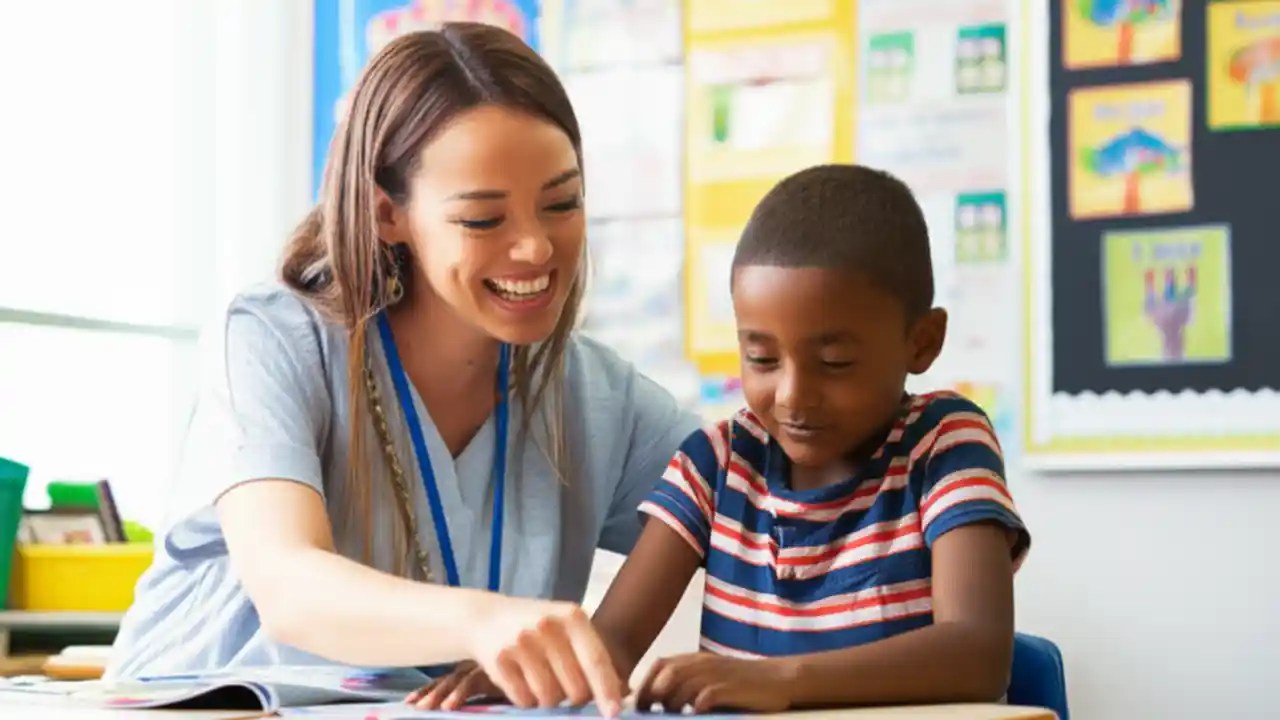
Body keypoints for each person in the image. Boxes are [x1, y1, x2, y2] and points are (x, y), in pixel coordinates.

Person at [105, 23, 700, 717]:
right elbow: (289, 586)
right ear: (388, 213)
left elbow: (777, 503)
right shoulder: (272, 337)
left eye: (562, 203)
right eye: (483, 220)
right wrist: (485, 621)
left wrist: (638, 646)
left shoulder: (599, 395)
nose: (537, 247)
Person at [412, 164, 1031, 712]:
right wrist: (528, 676)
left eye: (835, 362)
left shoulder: (945, 444)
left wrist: (778, 680)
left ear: (921, 343)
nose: (792, 395)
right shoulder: (719, 462)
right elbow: (618, 642)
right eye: (761, 359)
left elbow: (976, 654)